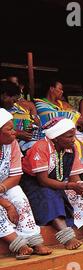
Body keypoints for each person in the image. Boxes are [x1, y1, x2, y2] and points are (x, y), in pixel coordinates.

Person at [21, 118, 83, 250]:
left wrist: (81, 186)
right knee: (49, 195)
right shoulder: (40, 147)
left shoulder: (71, 149)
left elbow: (74, 177)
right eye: (69, 136)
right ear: (56, 138)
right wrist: (70, 186)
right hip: (33, 183)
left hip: (58, 183)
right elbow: (43, 180)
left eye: (74, 135)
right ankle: (67, 237)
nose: (73, 139)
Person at [0, 109, 52, 259]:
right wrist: (7, 205)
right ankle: (18, 244)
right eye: (9, 129)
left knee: (18, 195)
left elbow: (16, 176)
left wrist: (2, 189)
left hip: (4, 186)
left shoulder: (12, 144)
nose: (14, 132)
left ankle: (34, 241)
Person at [34, 80, 83, 176]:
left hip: (72, 132)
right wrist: (69, 114)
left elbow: (81, 119)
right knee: (79, 147)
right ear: (51, 89)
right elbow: (48, 117)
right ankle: (76, 175)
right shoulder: (40, 103)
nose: (62, 92)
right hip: (54, 134)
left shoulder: (63, 104)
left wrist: (66, 114)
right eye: (60, 89)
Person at [0, 81, 42, 152]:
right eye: (13, 101)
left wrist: (27, 129)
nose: (13, 105)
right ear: (5, 96)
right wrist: (17, 134)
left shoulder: (14, 109)